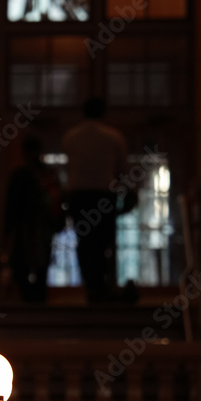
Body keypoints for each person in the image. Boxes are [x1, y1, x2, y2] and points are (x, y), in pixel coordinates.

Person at [62, 97, 136, 303]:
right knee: (105, 243)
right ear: (103, 112)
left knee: (85, 244)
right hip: (104, 196)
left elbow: (70, 170)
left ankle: (91, 287)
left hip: (79, 197)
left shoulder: (71, 137)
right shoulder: (113, 137)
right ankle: (104, 286)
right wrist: (130, 193)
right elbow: (123, 171)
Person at [3, 136, 64, 302]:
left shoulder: (20, 175)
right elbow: (57, 201)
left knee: (22, 267)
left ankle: (31, 301)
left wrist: (8, 232)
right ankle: (38, 300)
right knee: (41, 268)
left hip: (26, 229)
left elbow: (11, 207)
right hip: (43, 229)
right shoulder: (47, 175)